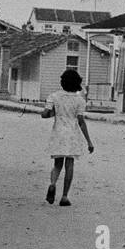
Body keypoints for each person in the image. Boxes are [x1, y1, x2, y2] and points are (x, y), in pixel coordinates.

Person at [40, 69, 93, 207]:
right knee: (69, 165)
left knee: (57, 165)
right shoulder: (80, 100)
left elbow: (46, 114)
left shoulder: (54, 96)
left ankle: (52, 184)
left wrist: (47, 113)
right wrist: (89, 141)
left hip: (58, 133)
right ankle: (64, 197)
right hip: (72, 135)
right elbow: (81, 121)